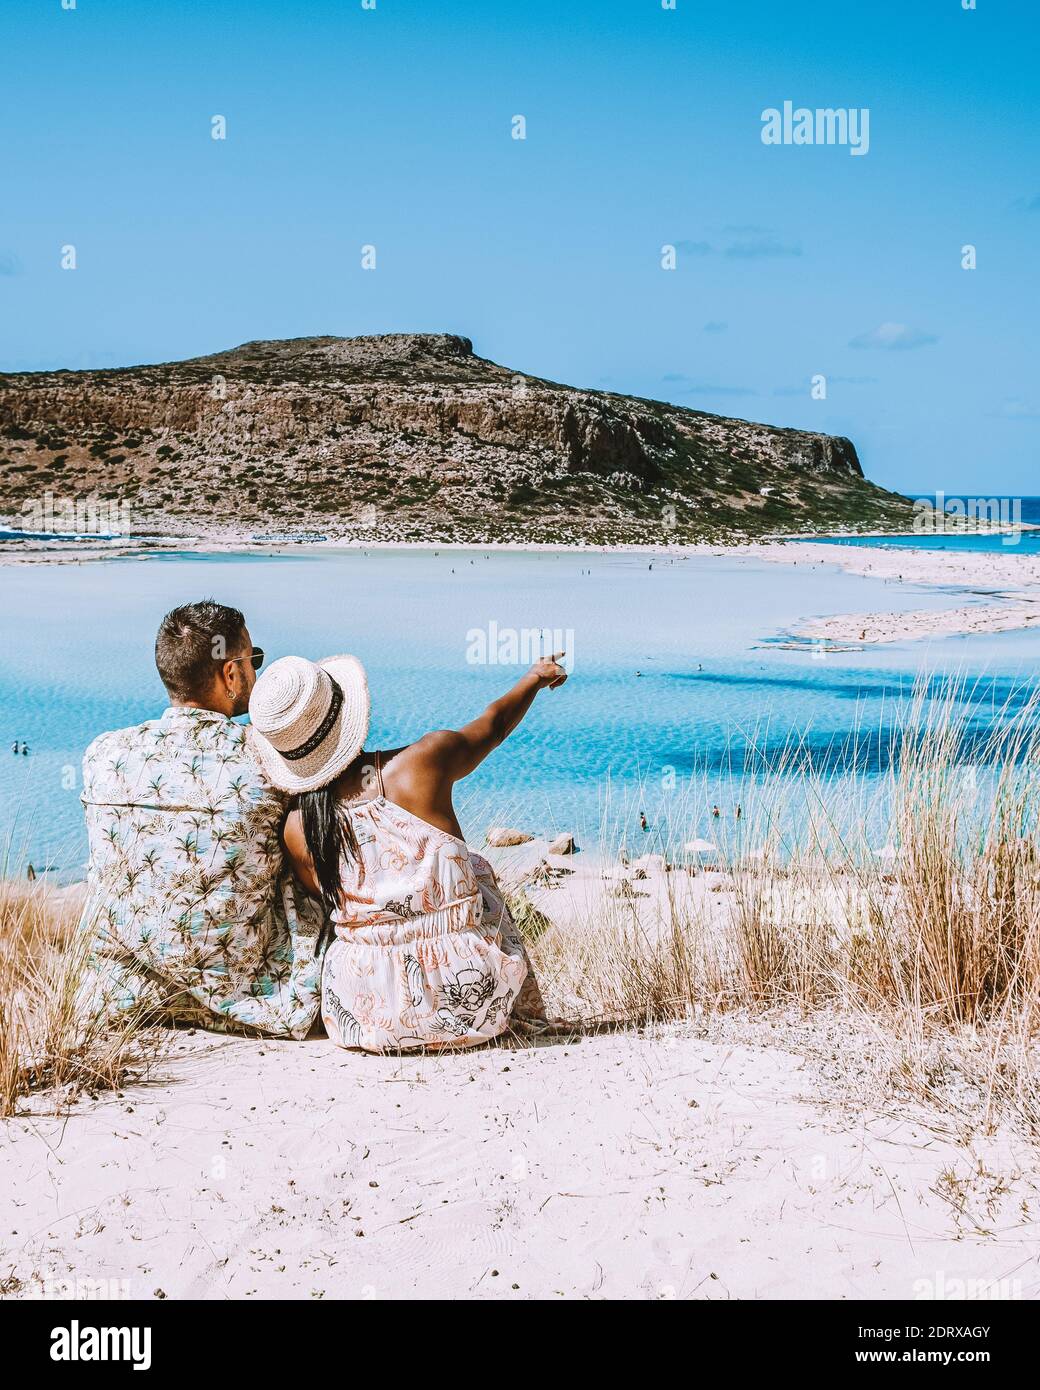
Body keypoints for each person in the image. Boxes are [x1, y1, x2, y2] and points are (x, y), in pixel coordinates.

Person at [248, 650, 564, 1052]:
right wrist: (534, 678)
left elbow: (325, 900)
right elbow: (494, 725)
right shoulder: (424, 762)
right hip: (472, 1003)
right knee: (477, 868)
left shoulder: (296, 826)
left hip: (361, 1015)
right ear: (347, 713)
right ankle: (518, 1010)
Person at [78, 600, 325, 1037]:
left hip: (121, 995)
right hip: (250, 996)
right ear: (230, 675)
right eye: (254, 660)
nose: (257, 673)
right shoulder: (264, 757)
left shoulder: (104, 754)